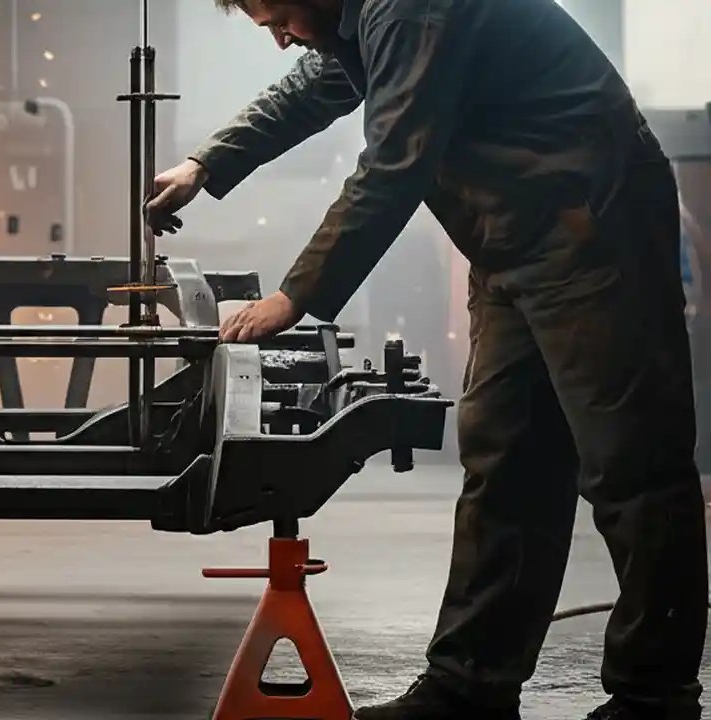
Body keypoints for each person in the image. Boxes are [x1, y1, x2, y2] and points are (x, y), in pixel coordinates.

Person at [145, 1, 708, 719]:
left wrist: (294, 298)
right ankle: (470, 686)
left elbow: (393, 165)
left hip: (592, 226)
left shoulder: (411, 6)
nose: (282, 38)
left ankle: (655, 698)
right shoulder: (361, 21)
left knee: (631, 467)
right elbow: (321, 82)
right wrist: (207, 161)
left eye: (279, 18)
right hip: (515, 240)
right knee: (505, 459)